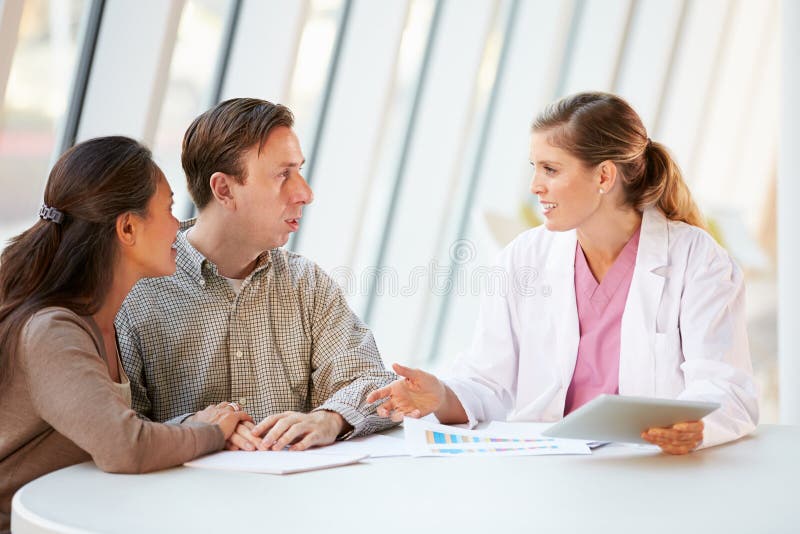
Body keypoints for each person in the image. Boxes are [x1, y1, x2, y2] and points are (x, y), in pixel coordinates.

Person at [367, 91, 759, 454]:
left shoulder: (697, 259)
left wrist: (693, 426)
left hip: (648, 465)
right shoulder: (522, 258)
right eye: (534, 168)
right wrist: (440, 395)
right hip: (550, 465)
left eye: (550, 169)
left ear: (604, 176)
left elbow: (724, 385)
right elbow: (490, 381)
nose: (535, 186)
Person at [116, 98, 395, 453]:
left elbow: (374, 384)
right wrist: (200, 431)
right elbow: (118, 431)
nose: (305, 194)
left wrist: (328, 419)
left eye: (299, 172)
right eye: (283, 175)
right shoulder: (136, 297)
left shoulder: (306, 284)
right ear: (224, 190)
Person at [0, 136, 251, 531]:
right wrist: (212, 433)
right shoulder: (53, 332)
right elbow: (124, 446)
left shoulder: (100, 321)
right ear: (128, 228)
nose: (178, 224)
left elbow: (110, 431)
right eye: (168, 208)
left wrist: (189, 428)